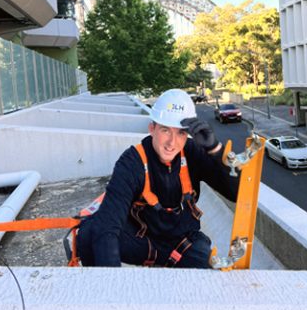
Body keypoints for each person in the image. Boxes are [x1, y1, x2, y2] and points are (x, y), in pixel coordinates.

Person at [74, 89, 239, 268]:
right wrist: (114, 285)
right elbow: (108, 225)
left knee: (208, 276)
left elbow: (237, 194)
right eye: (165, 130)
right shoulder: (132, 162)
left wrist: (215, 150)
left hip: (183, 244)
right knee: (90, 232)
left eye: (181, 133)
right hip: (142, 242)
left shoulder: (192, 152)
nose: (172, 142)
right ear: (152, 128)